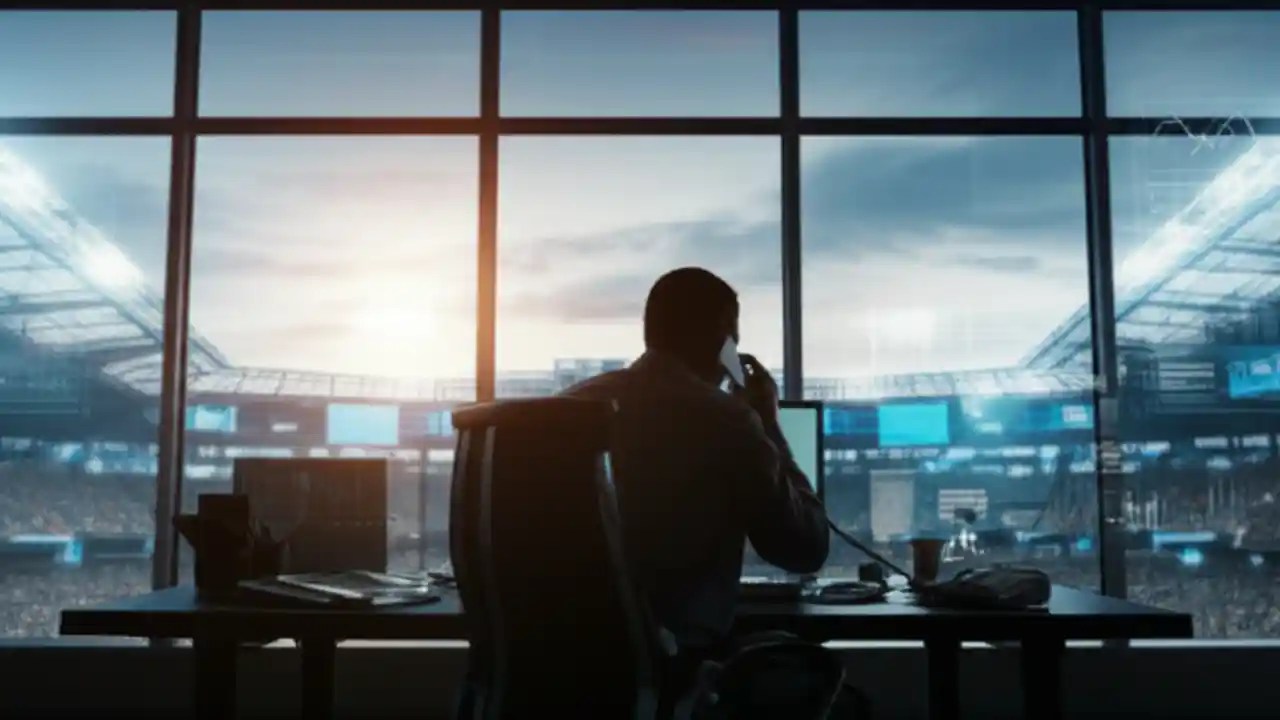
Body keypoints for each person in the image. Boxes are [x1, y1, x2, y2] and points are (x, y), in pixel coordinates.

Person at [560, 267, 829, 652]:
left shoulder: (565, 407)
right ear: (722, 336)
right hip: (678, 666)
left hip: (562, 661)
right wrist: (768, 423)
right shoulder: (726, 420)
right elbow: (803, 549)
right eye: (733, 338)